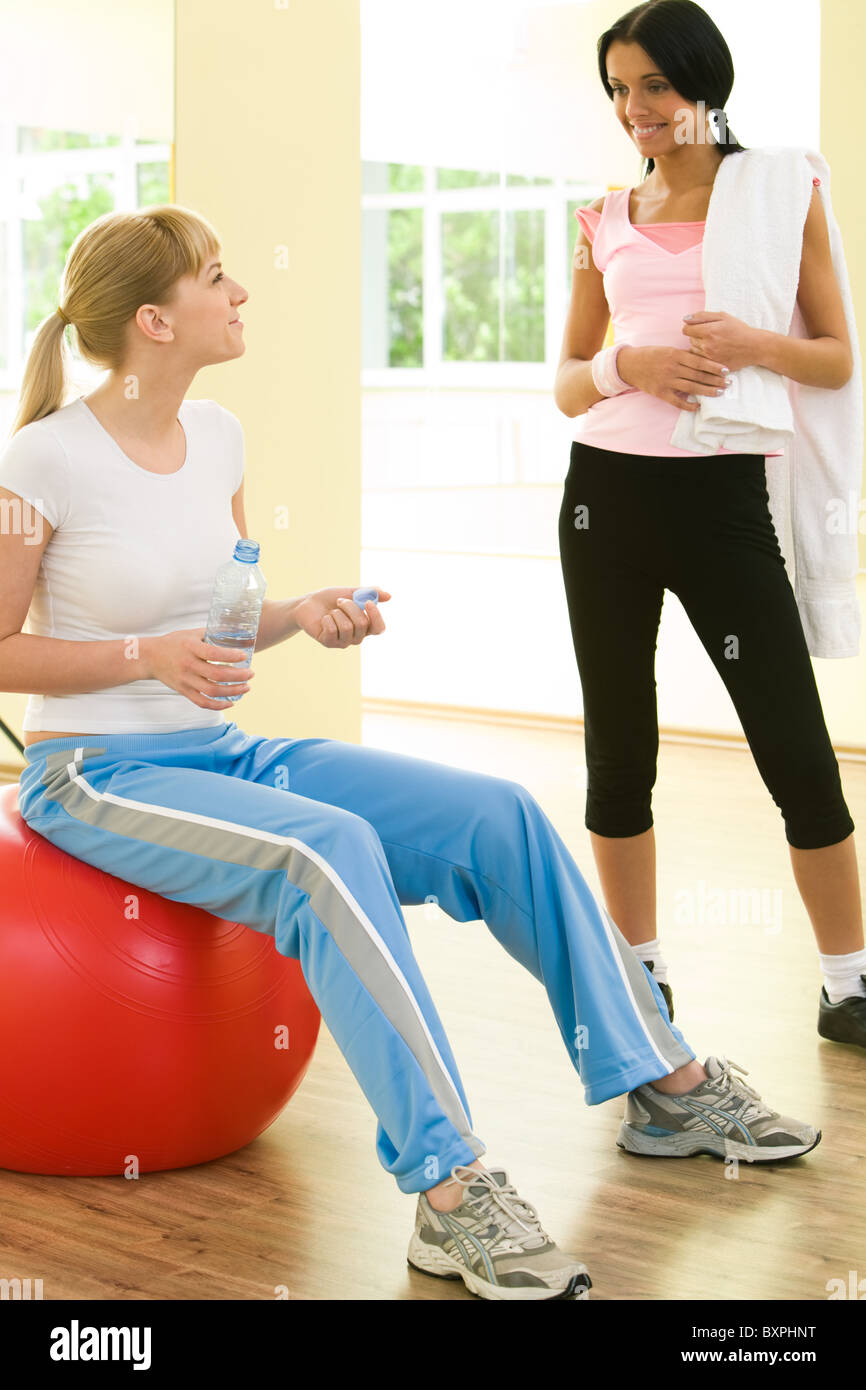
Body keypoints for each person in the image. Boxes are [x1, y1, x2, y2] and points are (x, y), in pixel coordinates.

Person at [0, 201, 820, 1305]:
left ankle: (662, 1081)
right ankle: (449, 1192)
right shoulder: (39, 460)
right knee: (325, 851)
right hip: (95, 776)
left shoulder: (224, 436)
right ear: (154, 318)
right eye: (216, 275)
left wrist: (305, 611)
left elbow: (228, 617)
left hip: (220, 752)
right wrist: (146, 652)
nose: (240, 292)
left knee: (501, 812)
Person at [555, 0, 866, 1046]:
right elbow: (566, 382)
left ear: (701, 83)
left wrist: (752, 342)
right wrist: (624, 365)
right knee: (617, 744)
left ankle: (849, 981)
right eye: (615, 87)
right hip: (603, 495)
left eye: (651, 84)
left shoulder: (779, 189)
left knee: (791, 743)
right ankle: (636, 977)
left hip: (722, 495)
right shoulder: (600, 213)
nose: (632, 108)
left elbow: (833, 354)